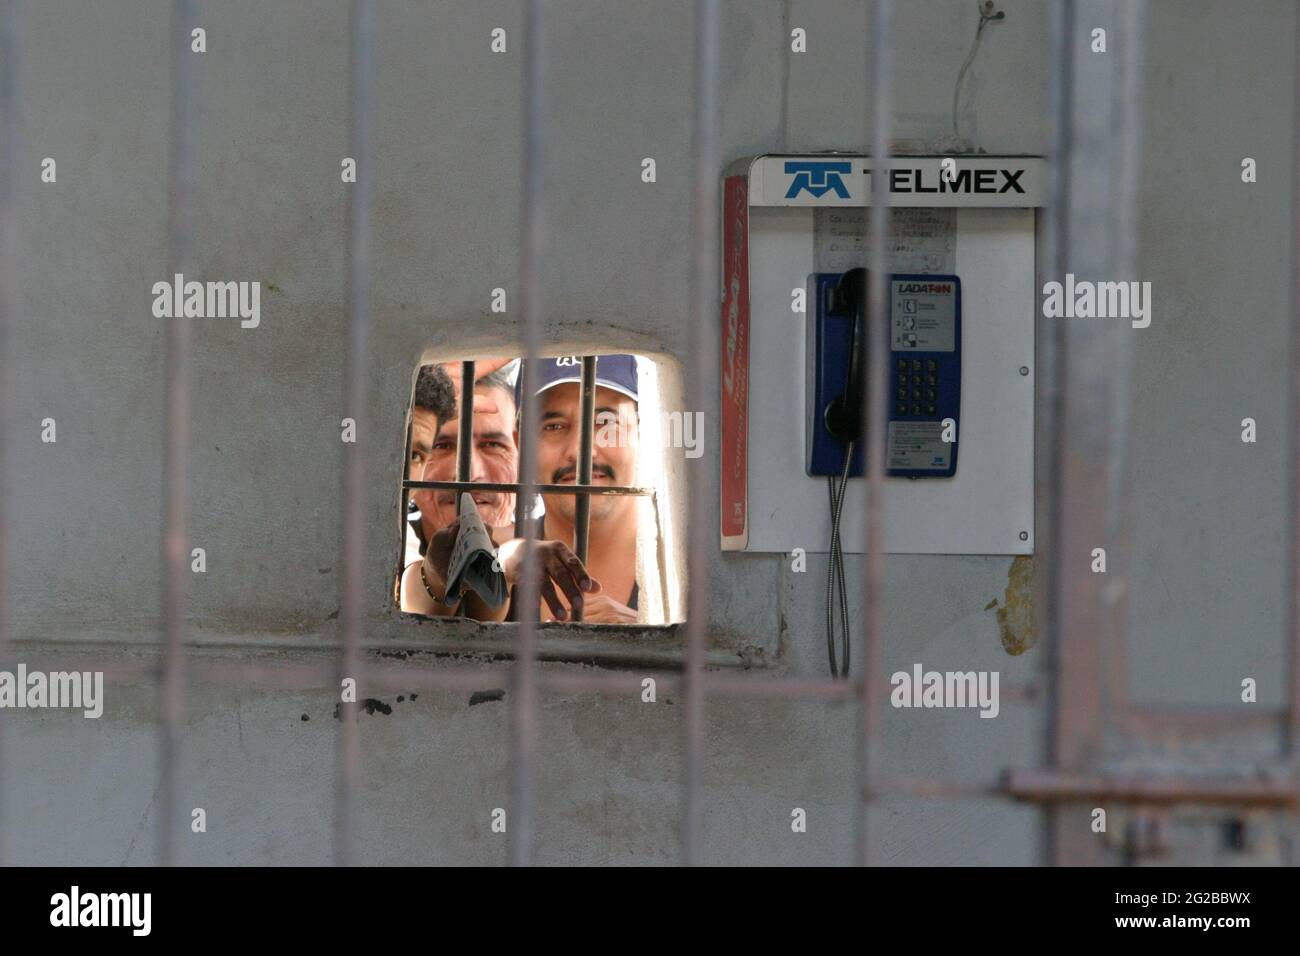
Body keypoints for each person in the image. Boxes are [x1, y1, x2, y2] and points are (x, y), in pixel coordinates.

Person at [399, 359, 600, 621]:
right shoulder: (393, 544)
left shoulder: (559, 555)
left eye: (493, 444)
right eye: (441, 446)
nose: (469, 473)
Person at [526, 355, 641, 624]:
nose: (580, 451)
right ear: (522, 443)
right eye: (554, 426)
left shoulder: (694, 562)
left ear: (643, 434)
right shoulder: (500, 554)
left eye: (606, 423)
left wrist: (654, 637)